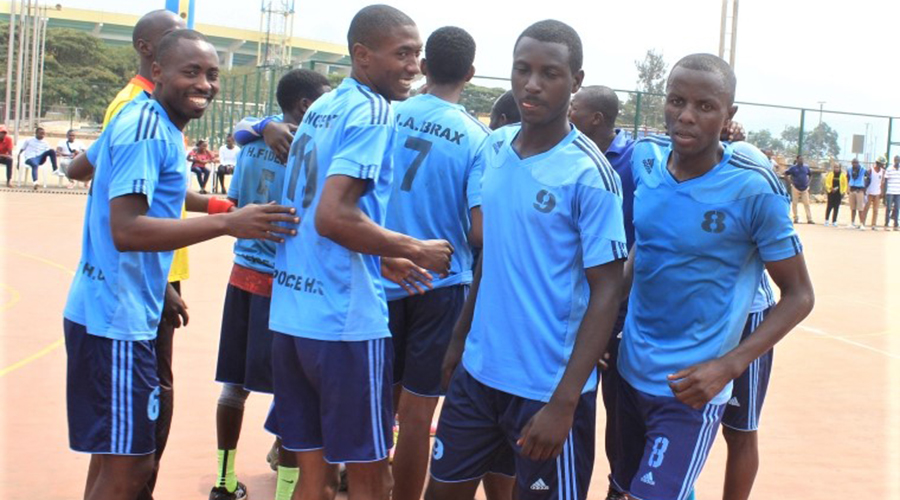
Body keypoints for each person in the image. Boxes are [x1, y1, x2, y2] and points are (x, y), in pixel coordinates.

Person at [62, 29, 298, 500]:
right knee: (133, 465)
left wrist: (218, 207)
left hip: (110, 304)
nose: (205, 84)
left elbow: (80, 169)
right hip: (116, 321)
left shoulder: (140, 117)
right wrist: (228, 224)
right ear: (157, 71)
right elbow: (127, 229)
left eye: (212, 74)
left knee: (113, 457)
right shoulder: (149, 130)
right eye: (191, 72)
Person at [425, 20, 627, 500]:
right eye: (522, 70)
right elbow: (493, 254)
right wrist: (459, 339)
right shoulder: (494, 147)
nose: (532, 84)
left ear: (575, 81)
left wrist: (564, 402)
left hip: (546, 390)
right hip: (478, 375)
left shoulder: (590, 174)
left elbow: (607, 289)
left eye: (549, 73)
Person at [267, 6, 452, 500]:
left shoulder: (323, 107)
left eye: (418, 54)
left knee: (315, 479)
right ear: (362, 55)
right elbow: (332, 216)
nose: (414, 66)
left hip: (292, 316)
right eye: (403, 54)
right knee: (371, 475)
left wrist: (381, 256)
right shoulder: (373, 110)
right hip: (343, 323)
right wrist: (415, 247)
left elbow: (316, 214)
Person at [613, 54, 814, 500]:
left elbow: (800, 295)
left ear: (728, 115)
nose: (686, 116)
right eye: (676, 101)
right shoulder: (645, 161)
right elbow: (641, 251)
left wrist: (728, 366)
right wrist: (603, 325)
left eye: (705, 106)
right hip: (629, 374)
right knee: (623, 489)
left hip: (692, 390)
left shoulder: (753, 188)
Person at [384, 26, 496, 500]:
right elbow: (479, 231)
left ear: (424, 67)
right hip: (440, 284)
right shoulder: (478, 138)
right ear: (470, 74)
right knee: (417, 417)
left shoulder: (388, 114)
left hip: (380, 273)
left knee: (376, 405)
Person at [210, 69, 331, 500]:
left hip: (243, 275)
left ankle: (224, 480)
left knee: (234, 387)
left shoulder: (250, 142)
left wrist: (262, 125)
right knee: (297, 393)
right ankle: (284, 492)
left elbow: (239, 133)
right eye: (324, 99)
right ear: (304, 106)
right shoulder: (307, 146)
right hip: (286, 282)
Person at [784, 155, 813, 224]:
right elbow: (785, 174)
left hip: (805, 188)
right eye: (800, 159)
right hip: (795, 188)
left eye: (802, 159)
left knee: (807, 203)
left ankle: (809, 219)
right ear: (797, 160)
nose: (801, 160)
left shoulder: (806, 167)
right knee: (794, 203)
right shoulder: (793, 168)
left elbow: (811, 175)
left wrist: (808, 183)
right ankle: (795, 218)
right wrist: (790, 182)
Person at [861, 157, 885, 231]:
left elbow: (882, 182)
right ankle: (862, 224)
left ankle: (873, 225)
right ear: (878, 163)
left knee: (876, 210)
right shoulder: (871, 170)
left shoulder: (883, 172)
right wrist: (865, 190)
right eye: (882, 164)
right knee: (866, 209)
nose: (883, 165)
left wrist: (882, 192)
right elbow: (865, 180)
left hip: (877, 193)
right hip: (869, 192)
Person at [823, 161, 847, 226]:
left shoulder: (842, 175)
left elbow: (845, 184)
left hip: (838, 193)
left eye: (837, 167)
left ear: (840, 168)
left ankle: (834, 221)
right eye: (835, 167)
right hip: (831, 193)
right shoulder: (830, 174)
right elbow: (827, 182)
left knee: (836, 207)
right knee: (829, 206)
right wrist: (830, 188)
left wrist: (843, 192)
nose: (836, 169)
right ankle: (826, 220)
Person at [847, 158, 867, 228]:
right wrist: (849, 187)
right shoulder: (849, 169)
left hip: (859, 190)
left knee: (860, 208)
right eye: (853, 163)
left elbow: (868, 178)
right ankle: (852, 223)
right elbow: (848, 177)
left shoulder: (863, 169)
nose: (855, 164)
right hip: (852, 189)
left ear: (858, 163)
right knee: (852, 208)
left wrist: (865, 187)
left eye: (856, 163)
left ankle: (861, 224)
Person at [883, 155, 900, 231]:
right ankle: (886, 224)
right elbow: (886, 181)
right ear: (894, 161)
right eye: (896, 160)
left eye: (898, 160)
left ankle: (896, 225)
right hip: (890, 191)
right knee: (888, 208)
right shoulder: (889, 169)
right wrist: (885, 192)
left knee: (897, 208)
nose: (897, 162)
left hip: (898, 192)